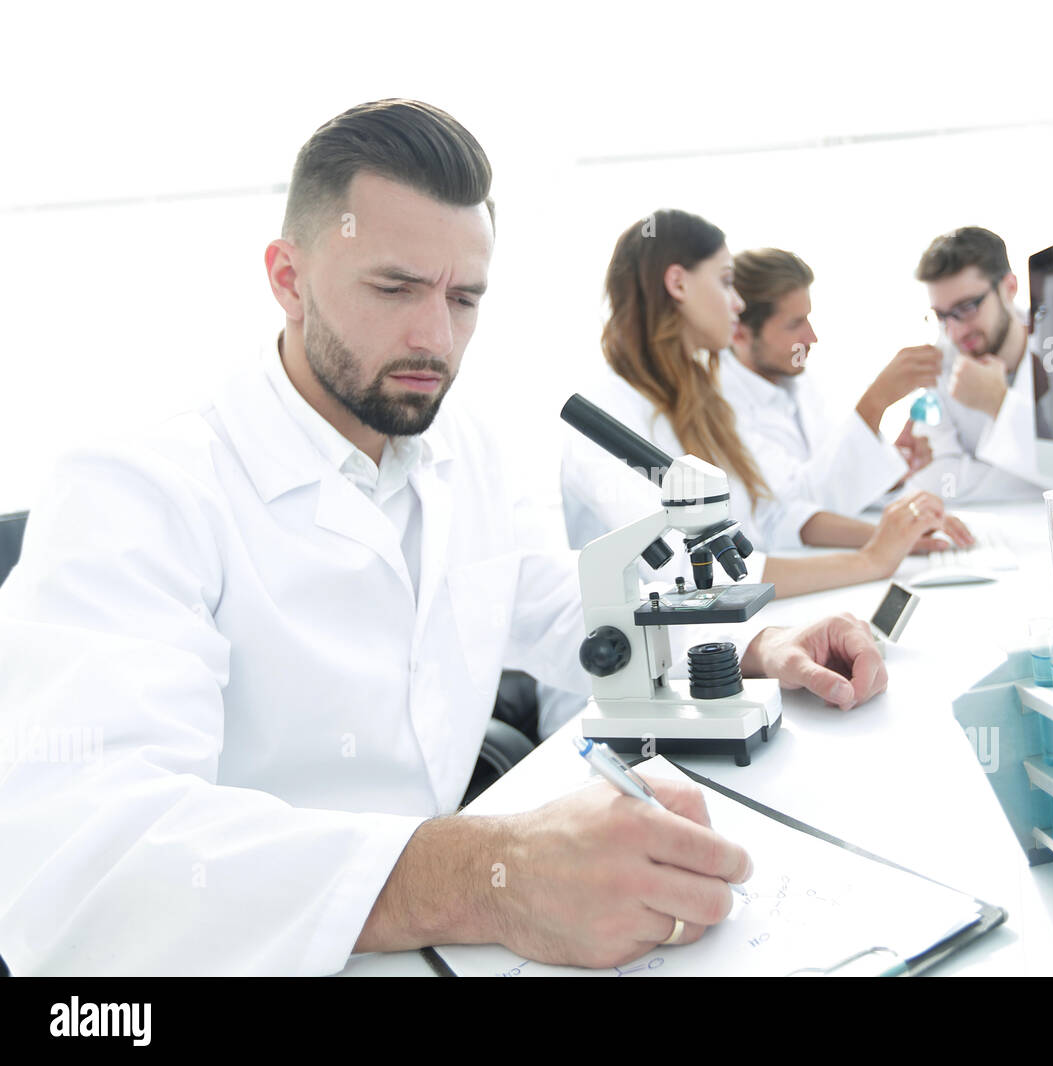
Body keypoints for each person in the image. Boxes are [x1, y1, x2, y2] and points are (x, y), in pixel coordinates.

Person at [0, 101, 890, 976]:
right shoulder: (134, 487)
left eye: (464, 297)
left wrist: (750, 646)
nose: (436, 337)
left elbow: (556, 608)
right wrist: (489, 879)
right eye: (393, 288)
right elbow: (81, 867)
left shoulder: (465, 446)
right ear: (288, 278)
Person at [561, 209, 957, 601]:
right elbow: (693, 575)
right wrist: (870, 561)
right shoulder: (604, 416)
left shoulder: (697, 401)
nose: (736, 303)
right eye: (726, 282)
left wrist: (893, 535)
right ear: (678, 284)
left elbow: (771, 515)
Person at [723, 247, 972, 547]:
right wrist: (875, 402)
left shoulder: (798, 381)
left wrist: (892, 472)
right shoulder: (721, 406)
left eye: (808, 319)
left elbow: (832, 483)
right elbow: (792, 511)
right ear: (739, 333)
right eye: (794, 324)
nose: (811, 337)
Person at [889, 226, 1053, 502]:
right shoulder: (940, 362)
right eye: (942, 316)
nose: (954, 332)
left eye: (966, 307)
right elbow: (935, 477)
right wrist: (1040, 477)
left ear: (1009, 288)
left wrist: (998, 402)